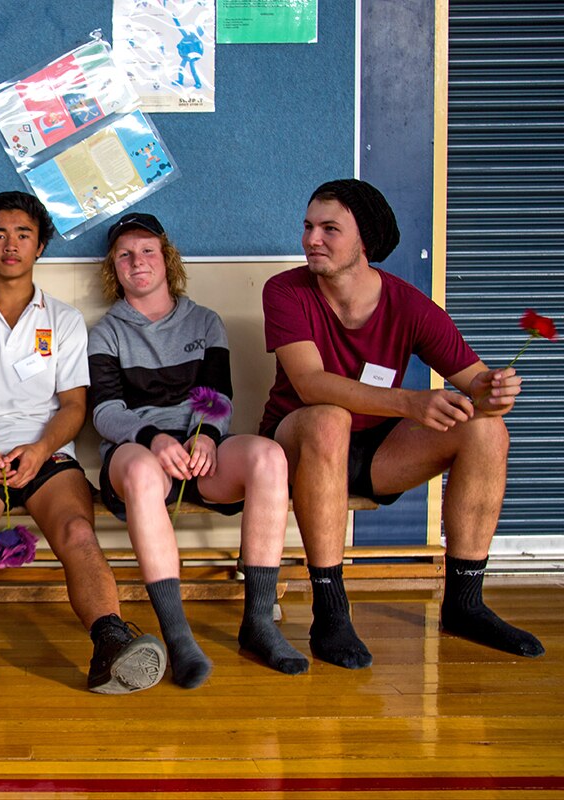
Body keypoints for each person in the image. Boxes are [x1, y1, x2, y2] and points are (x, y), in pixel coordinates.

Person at [260, 178, 544, 669]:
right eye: (308, 226)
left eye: (329, 229)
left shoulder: (408, 304)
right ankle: (331, 612)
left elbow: (475, 382)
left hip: (375, 453)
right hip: (297, 446)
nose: (311, 239)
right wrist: (412, 403)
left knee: (486, 429)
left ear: (365, 240)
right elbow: (310, 384)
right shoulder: (285, 290)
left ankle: (465, 604)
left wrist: (495, 391)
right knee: (329, 419)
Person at [0, 191, 166, 701]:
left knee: (77, 532)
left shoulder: (62, 320)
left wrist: (41, 449)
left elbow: (73, 406)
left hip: (47, 456)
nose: (11, 244)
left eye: (23, 234)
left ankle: (111, 642)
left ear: (40, 245)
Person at [88, 212, 308, 688]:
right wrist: (154, 437)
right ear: (114, 267)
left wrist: (206, 435)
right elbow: (105, 413)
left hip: (199, 450)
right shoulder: (106, 332)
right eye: (124, 254)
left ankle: (259, 624)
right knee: (145, 472)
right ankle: (178, 636)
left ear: (165, 258)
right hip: (135, 454)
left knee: (269, 456)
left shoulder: (206, 322)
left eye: (147, 250)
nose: (137, 261)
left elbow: (220, 397)